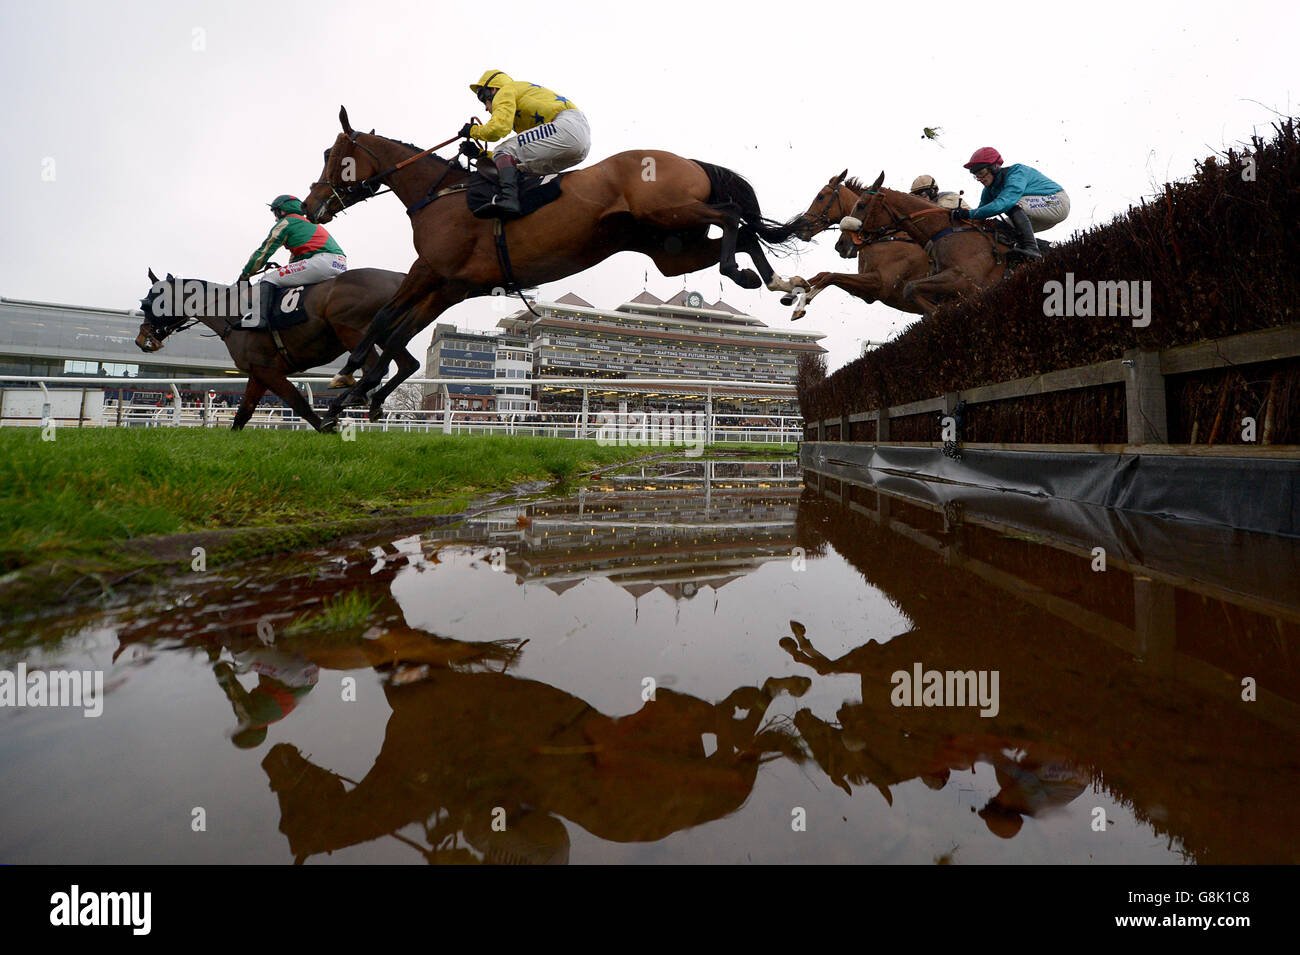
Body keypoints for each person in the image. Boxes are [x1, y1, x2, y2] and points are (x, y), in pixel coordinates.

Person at [458, 69, 590, 216]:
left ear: (493, 90)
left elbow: (496, 130)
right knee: (519, 168)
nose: (486, 107)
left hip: (566, 128)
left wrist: (473, 131)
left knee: (503, 150)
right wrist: (480, 154)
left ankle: (508, 200)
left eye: (483, 98)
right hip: (578, 145)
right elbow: (515, 156)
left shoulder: (505, 91)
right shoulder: (519, 105)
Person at [237, 195, 347, 322]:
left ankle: (260, 319)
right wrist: (287, 269)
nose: (275, 218)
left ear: (282, 210)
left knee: (269, 278)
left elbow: (264, 252)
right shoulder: (310, 223)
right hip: (340, 264)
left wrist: (245, 274)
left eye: (275, 213)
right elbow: (299, 259)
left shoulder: (286, 222)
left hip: (321, 263)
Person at [952, 148, 1069, 259]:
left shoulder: (1017, 172)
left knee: (1012, 205)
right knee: (1001, 228)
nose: (980, 178)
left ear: (995, 167)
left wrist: (969, 213)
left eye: (982, 172)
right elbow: (980, 214)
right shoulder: (989, 190)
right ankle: (1045, 249)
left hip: (1055, 201)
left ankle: (1032, 249)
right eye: (976, 175)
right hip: (1038, 213)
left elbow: (1004, 203)